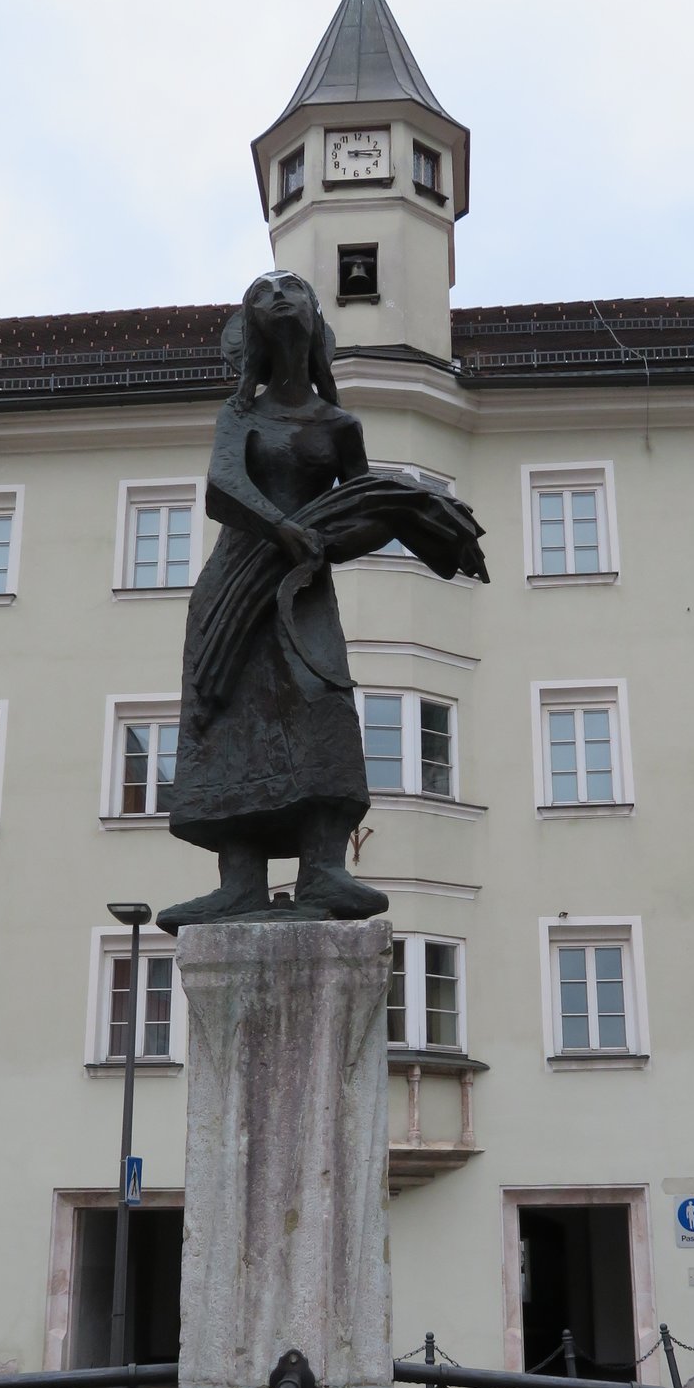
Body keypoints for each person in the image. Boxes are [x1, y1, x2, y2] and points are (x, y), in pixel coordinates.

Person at [158, 271, 487, 932]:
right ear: (250, 326)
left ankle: (322, 870)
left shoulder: (340, 424)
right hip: (235, 584)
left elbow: (354, 510)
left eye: (293, 288)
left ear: (314, 318)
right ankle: (240, 882)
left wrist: (400, 515)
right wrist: (283, 529)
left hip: (300, 591)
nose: (279, 296)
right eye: (263, 291)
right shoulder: (240, 415)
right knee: (231, 716)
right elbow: (221, 488)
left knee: (322, 701)